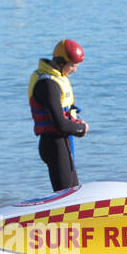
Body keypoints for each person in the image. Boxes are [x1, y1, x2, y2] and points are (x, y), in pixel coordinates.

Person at [28, 38, 88, 192]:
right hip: (54, 145)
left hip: (62, 142)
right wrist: (81, 128)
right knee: (66, 196)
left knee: (75, 192)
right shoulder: (48, 84)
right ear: (61, 63)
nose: (75, 70)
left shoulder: (55, 78)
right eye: (73, 66)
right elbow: (59, 123)